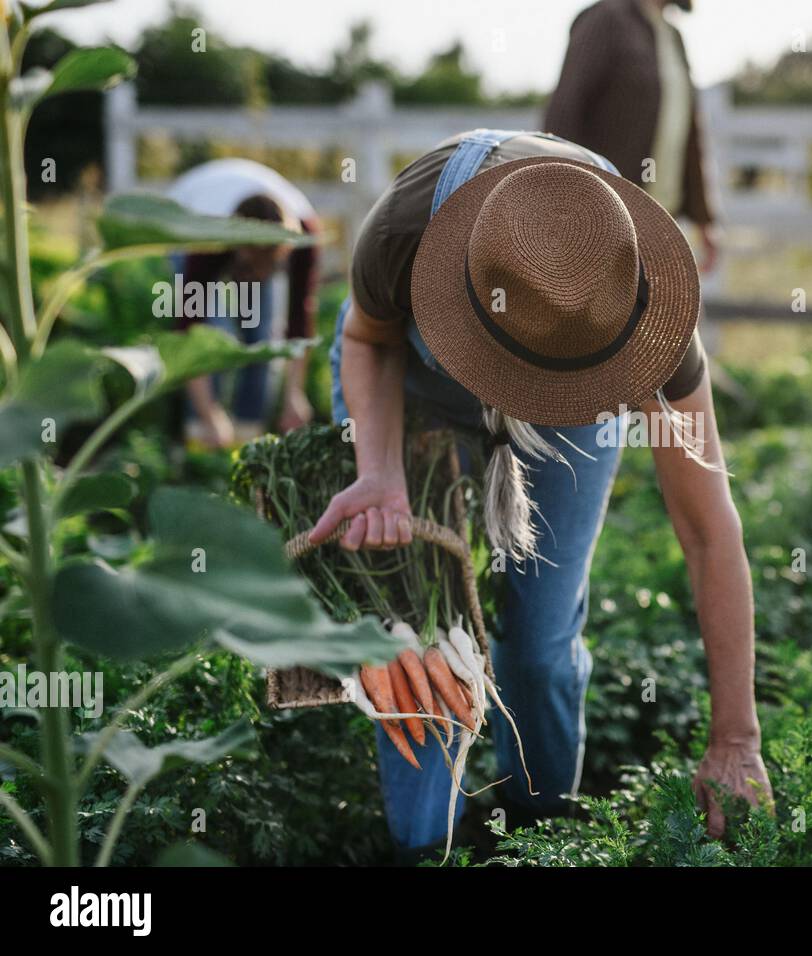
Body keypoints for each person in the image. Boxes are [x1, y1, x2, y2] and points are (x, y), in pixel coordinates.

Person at [308, 128, 770, 862]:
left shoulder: (646, 314)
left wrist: (737, 739)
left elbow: (709, 529)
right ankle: (422, 848)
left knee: (542, 643)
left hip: (577, 409)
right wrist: (380, 472)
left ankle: (541, 833)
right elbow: (367, 338)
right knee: (424, 636)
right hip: (410, 384)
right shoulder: (406, 227)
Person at [544, 0, 719, 276]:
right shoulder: (605, 19)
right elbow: (564, 112)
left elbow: (688, 130)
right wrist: (557, 209)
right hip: (604, 222)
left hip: (663, 221)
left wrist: (703, 219)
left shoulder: (672, 35)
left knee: (668, 315)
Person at [168, 158, 322, 447]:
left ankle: (247, 437)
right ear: (240, 252)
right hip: (191, 220)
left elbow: (299, 318)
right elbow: (188, 331)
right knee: (214, 335)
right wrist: (209, 414)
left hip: (242, 229)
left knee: (262, 340)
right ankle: (201, 437)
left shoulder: (304, 236)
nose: (261, 276)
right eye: (253, 267)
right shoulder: (206, 246)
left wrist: (294, 395)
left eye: (270, 267)